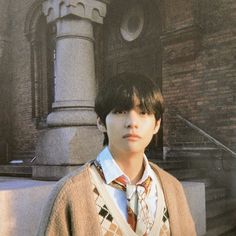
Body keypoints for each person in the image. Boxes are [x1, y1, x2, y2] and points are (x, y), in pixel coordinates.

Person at [37, 73, 196, 236]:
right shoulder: (69, 193)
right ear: (100, 122)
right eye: (120, 111)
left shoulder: (172, 188)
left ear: (157, 124)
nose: (132, 123)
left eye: (143, 112)